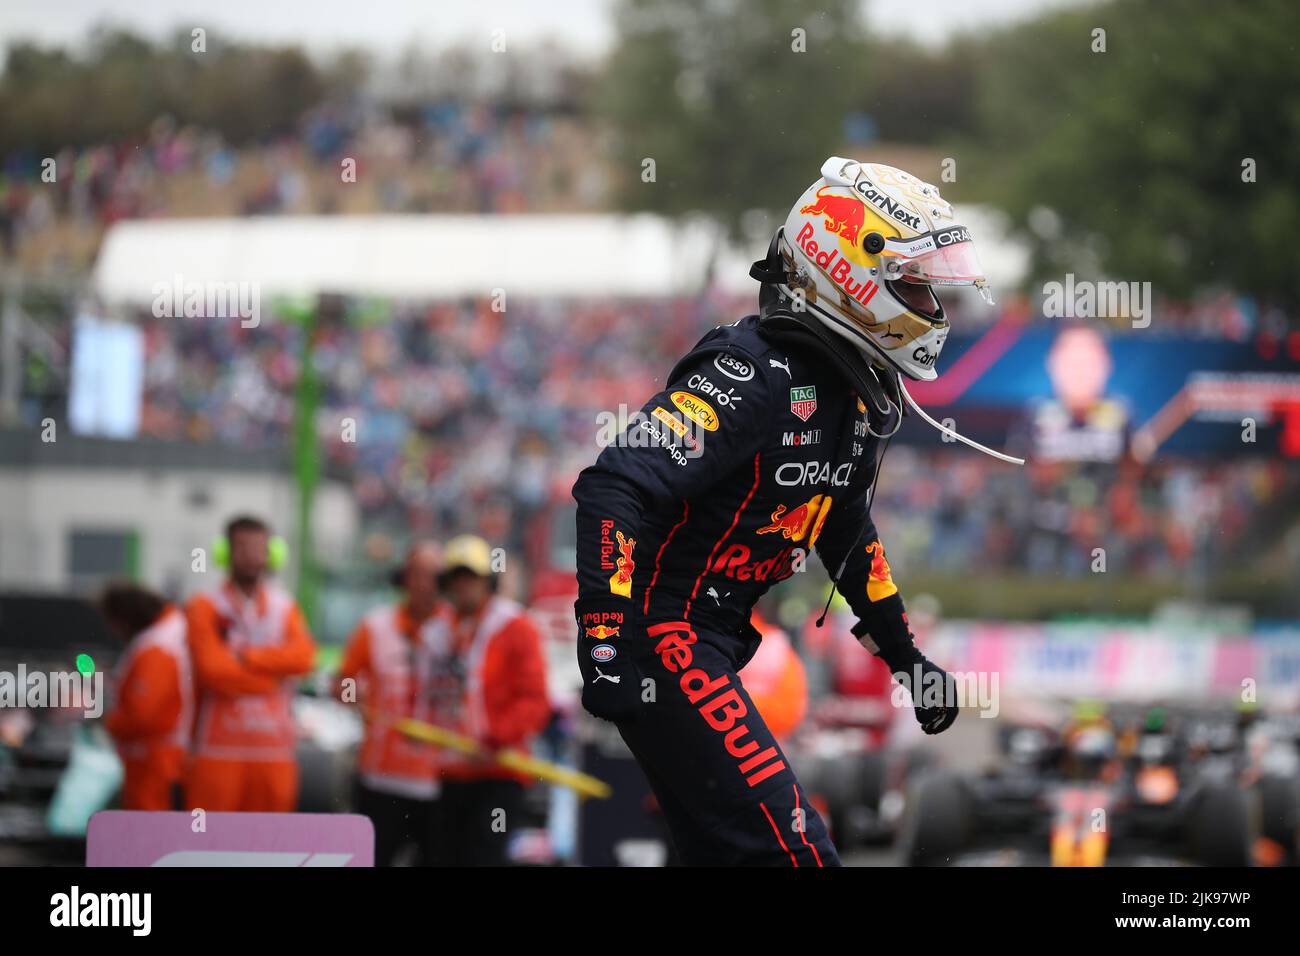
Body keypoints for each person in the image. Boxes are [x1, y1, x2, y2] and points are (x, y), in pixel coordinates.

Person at [571, 157, 1011, 866]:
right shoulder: (749, 374)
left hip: (711, 639)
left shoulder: (856, 392)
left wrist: (907, 660)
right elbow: (614, 484)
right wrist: (603, 639)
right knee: (795, 852)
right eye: (914, 285)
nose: (932, 309)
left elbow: (845, 531)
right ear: (847, 270)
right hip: (666, 633)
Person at [422, 535, 550, 866]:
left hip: (499, 772)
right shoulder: (436, 630)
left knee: (484, 858)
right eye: (457, 578)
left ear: (488, 581)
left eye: (472, 578)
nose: (464, 586)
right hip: (446, 773)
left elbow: (535, 700)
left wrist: (495, 739)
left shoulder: (515, 625)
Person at [184, 515, 316, 812]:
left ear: (271, 554)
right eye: (243, 547)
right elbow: (212, 671)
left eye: (260, 548)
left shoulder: (285, 606)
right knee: (210, 848)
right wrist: (273, 676)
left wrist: (245, 657)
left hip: (275, 752)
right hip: (216, 751)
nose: (253, 556)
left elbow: (305, 659)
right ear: (226, 553)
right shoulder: (204, 605)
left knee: (271, 847)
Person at [336, 541, 444, 865]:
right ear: (404, 579)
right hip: (381, 778)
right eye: (418, 575)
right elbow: (342, 683)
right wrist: (357, 698)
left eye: (435, 576)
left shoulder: (457, 628)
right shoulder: (375, 626)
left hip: (440, 782)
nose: (426, 584)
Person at [101, 583, 193, 811]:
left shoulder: (156, 647)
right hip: (163, 759)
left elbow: (143, 714)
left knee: (151, 837)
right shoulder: (171, 635)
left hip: (154, 764)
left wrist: (110, 723)